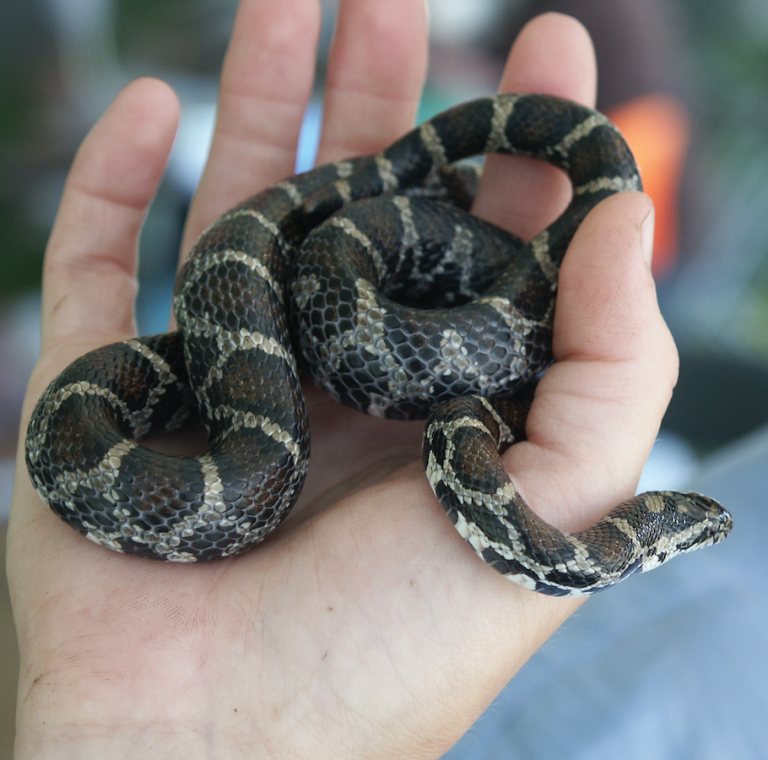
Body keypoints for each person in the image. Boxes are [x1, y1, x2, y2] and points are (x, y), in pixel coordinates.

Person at [8, 2, 679, 757]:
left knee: (281, 274)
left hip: (365, 333)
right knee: (265, 268)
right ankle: (377, 197)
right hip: (326, 304)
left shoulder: (488, 440)